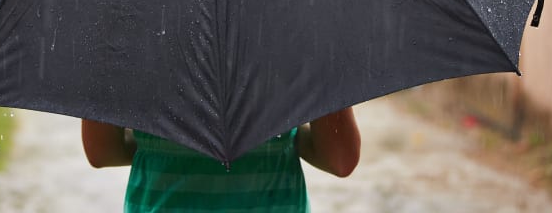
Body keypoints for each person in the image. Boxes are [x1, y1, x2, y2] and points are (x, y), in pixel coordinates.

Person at [81, 107, 360, 212]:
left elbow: (101, 150)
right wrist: (278, 137)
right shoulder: (290, 24)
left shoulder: (132, 24)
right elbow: (339, 157)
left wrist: (165, 143)